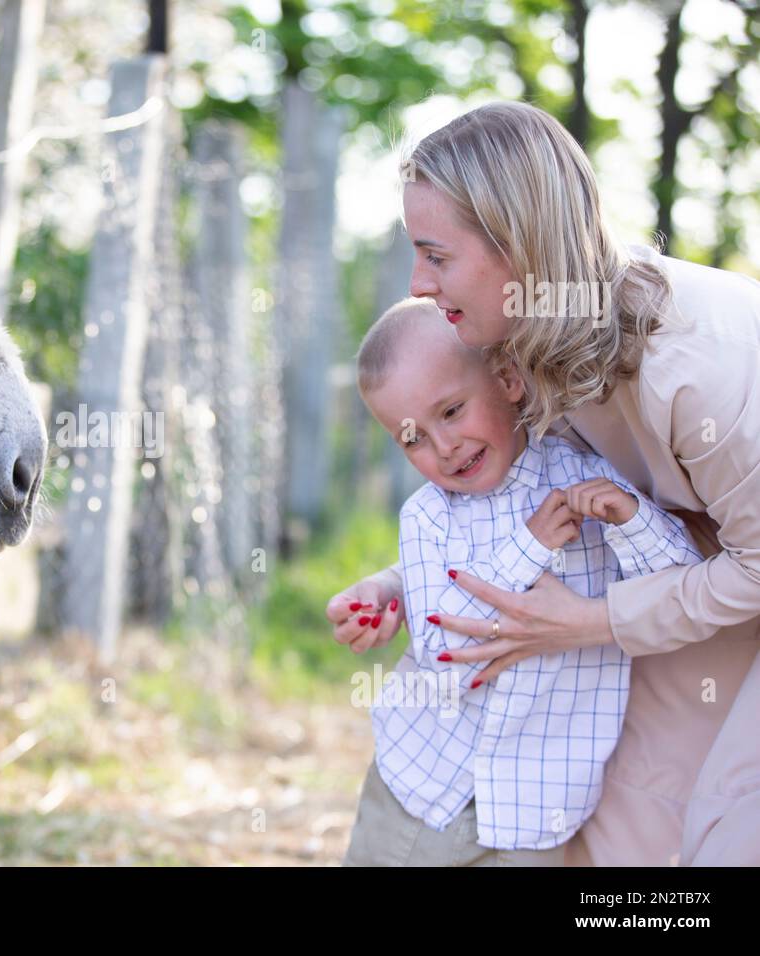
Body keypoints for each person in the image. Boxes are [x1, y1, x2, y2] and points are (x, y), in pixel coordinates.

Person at [329, 101, 760, 866]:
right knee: (627, 830)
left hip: (739, 567)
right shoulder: (519, 348)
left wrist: (595, 623)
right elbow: (507, 514)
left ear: (515, 244)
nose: (418, 283)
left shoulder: (706, 374)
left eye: (435, 255)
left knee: (732, 829)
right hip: (698, 569)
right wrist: (406, 578)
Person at [341, 297, 699, 866]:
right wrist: (527, 547)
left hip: (540, 802)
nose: (444, 447)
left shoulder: (584, 476)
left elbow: (679, 591)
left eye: (452, 411)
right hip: (423, 785)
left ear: (508, 380)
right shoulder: (428, 518)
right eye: (412, 438)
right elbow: (442, 655)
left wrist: (633, 520)